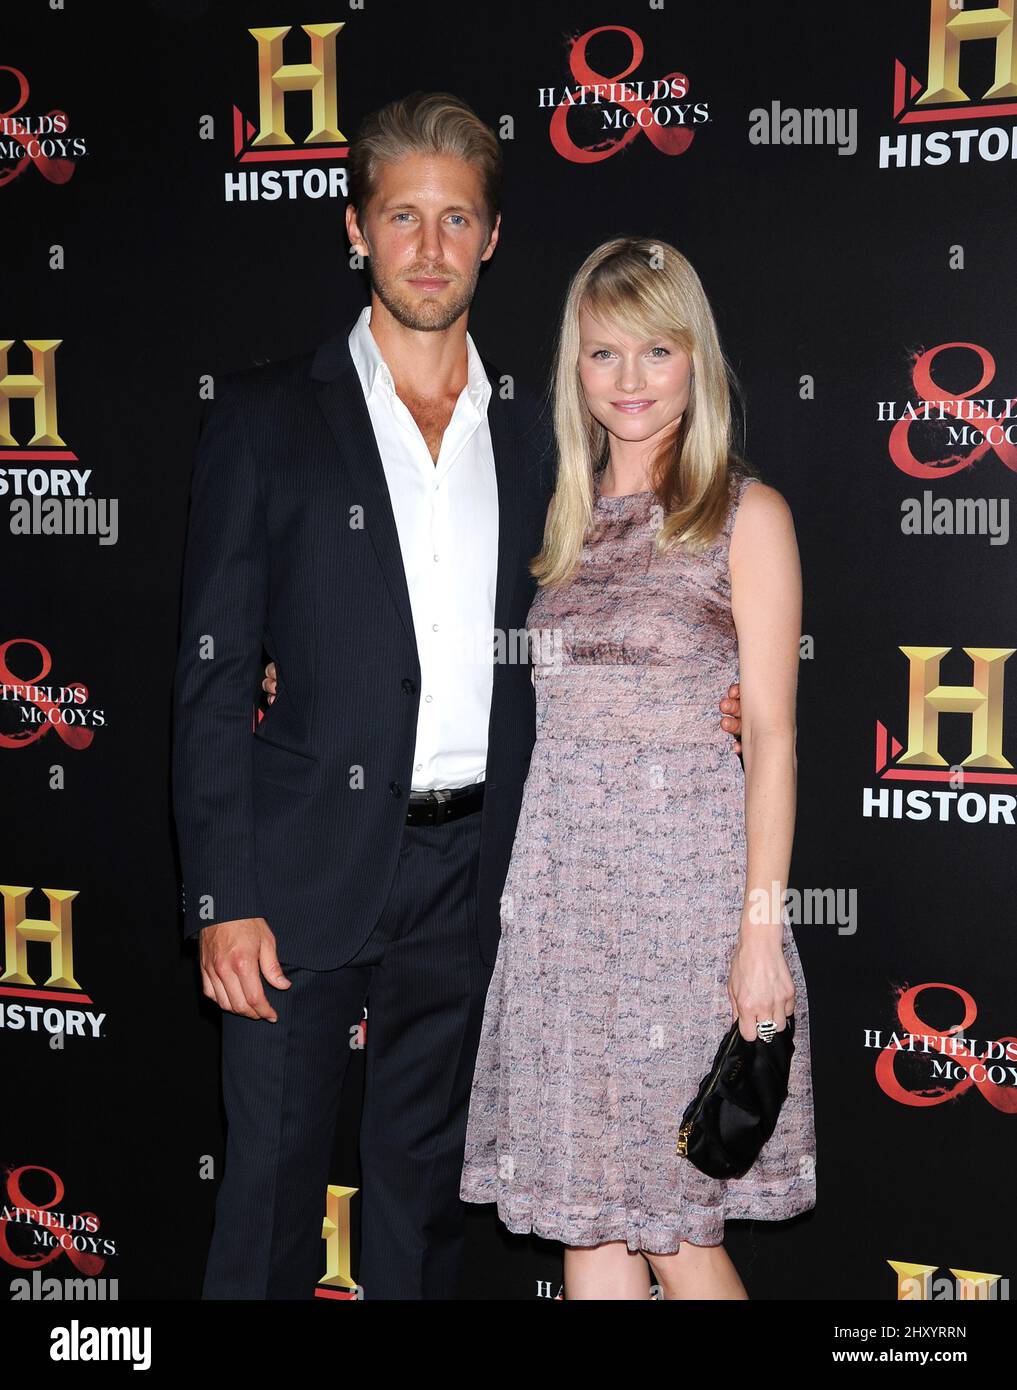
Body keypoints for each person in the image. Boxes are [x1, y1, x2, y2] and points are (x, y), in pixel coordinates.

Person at [173, 89, 743, 1300]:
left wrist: (717, 700)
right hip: (295, 871)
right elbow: (215, 678)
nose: (428, 248)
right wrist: (222, 894)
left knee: (423, 1212)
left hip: (474, 875)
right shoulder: (268, 419)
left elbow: (638, 604)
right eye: (402, 218)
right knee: (267, 1205)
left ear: (490, 237)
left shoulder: (544, 442)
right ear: (356, 229)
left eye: (456, 220)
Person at [456, 236, 817, 1300]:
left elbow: (778, 741)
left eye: (655, 351)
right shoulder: (555, 526)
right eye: (603, 353)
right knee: (590, 1233)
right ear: (574, 366)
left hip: (686, 916)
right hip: (567, 917)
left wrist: (760, 940)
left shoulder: (747, 518)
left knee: (677, 1233)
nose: (629, 381)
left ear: (694, 359)